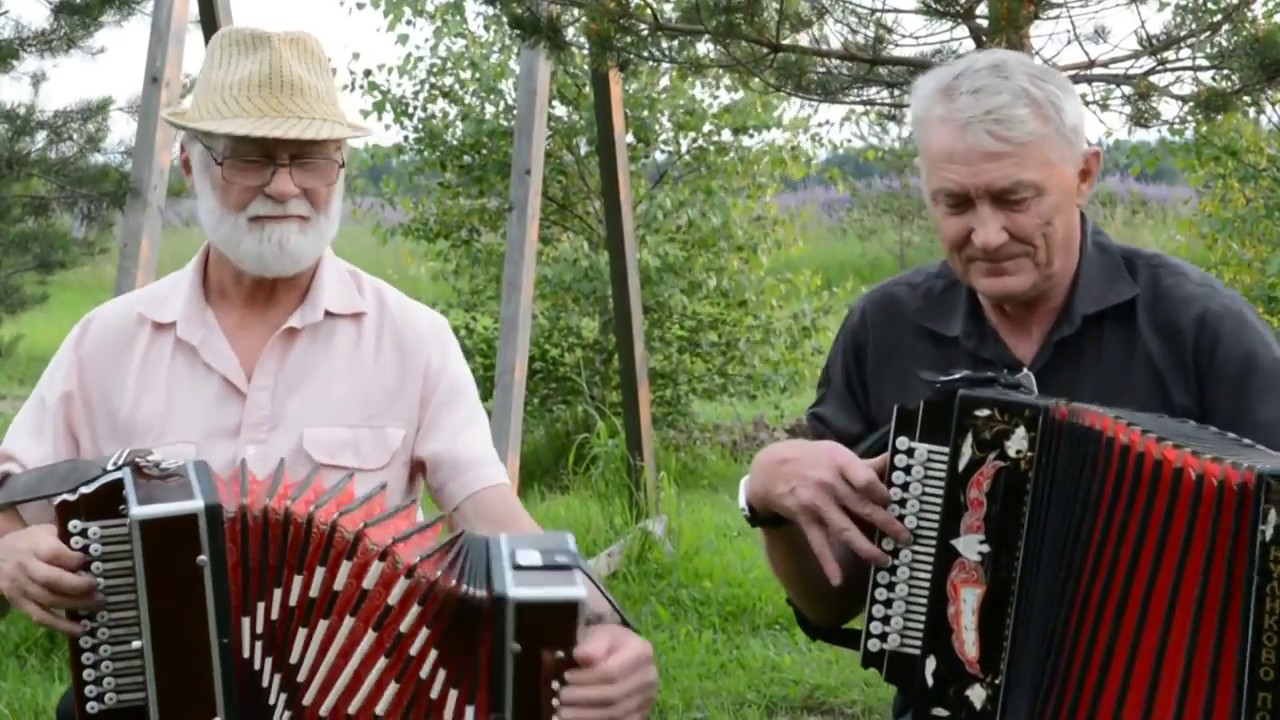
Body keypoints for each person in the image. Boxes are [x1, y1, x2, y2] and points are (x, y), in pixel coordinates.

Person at [0, 26, 658, 719]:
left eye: (311, 159)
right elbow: (10, 503)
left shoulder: (413, 339)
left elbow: (495, 518)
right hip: (157, 697)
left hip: (357, 697)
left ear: (339, 164)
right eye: (250, 159)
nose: (284, 186)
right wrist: (9, 559)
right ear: (190, 165)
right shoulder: (108, 342)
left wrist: (609, 629)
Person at [736, 48, 1280, 719]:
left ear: (1085, 175)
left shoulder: (1200, 327)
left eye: (1015, 198)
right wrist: (768, 498)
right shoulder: (887, 325)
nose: (986, 235)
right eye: (955, 202)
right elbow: (832, 599)